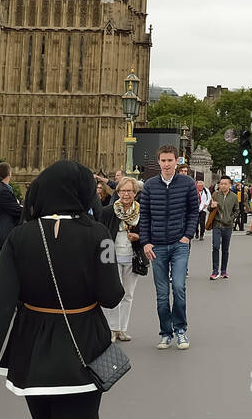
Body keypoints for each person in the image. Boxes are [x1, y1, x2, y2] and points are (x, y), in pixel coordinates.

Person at [0, 160, 124, 419]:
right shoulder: (100, 235)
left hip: (32, 349)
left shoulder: (19, 237)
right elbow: (111, 297)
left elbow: (2, 304)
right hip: (84, 346)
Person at [138, 145, 198, 350]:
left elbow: (193, 212)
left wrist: (187, 236)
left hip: (179, 244)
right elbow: (144, 216)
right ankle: (166, 332)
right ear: (159, 162)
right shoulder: (149, 185)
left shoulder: (187, 183)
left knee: (179, 288)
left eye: (170, 160)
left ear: (176, 161)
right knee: (162, 295)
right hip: (157, 246)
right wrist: (145, 242)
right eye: (163, 161)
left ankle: (181, 330)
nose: (166, 164)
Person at [103, 177, 142, 342]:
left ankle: (122, 329)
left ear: (135, 193)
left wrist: (138, 237)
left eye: (130, 191)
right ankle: (112, 328)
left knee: (128, 294)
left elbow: (147, 233)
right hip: (112, 257)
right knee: (114, 293)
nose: (126, 194)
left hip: (132, 257)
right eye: (123, 191)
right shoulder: (107, 211)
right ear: (118, 192)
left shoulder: (141, 211)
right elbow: (101, 235)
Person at [209, 176, 240, 280]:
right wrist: (211, 206)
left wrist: (230, 219)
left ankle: (223, 271)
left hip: (228, 226)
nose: (222, 186)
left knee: (225, 249)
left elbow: (237, 210)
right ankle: (215, 270)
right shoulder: (215, 195)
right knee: (216, 246)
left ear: (230, 185)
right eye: (221, 184)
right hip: (217, 225)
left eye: (225, 184)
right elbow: (209, 208)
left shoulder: (234, 196)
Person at [0, 162, 21, 253]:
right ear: (9, 174)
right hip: (4, 236)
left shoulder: (1, 188)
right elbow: (17, 211)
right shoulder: (3, 191)